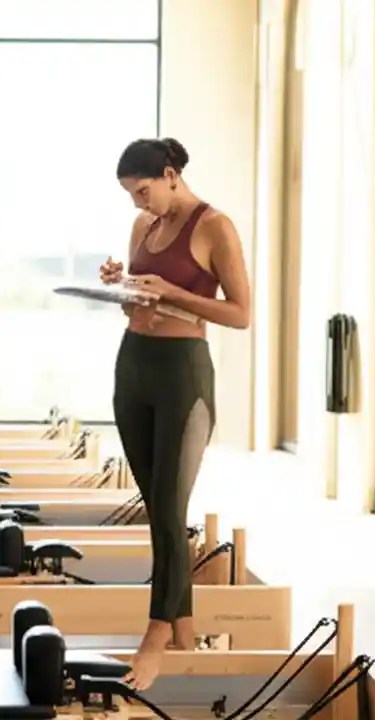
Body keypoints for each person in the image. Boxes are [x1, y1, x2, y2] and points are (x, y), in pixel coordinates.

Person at [99, 137, 251, 690]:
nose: (138, 204)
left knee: (168, 509)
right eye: (130, 195)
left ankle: (156, 638)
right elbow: (139, 303)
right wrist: (122, 285)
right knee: (158, 508)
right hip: (133, 366)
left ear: (169, 175)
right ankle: (187, 634)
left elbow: (240, 313)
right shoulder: (142, 226)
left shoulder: (215, 227)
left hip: (182, 375)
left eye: (143, 191)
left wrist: (171, 291)